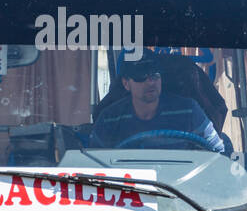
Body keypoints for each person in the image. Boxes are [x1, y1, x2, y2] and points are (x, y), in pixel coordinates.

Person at [89, 58, 226, 153]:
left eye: (155, 75)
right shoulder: (109, 119)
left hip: (184, 190)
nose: (150, 82)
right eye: (141, 76)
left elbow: (219, 152)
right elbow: (93, 163)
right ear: (126, 83)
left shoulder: (189, 111)